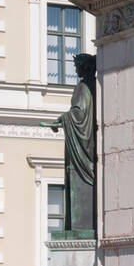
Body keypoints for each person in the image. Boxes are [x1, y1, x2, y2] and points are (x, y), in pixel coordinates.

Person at [42, 53, 97, 233]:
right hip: (87, 140)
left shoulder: (83, 87)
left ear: (84, 67)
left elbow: (79, 114)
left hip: (82, 142)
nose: (75, 69)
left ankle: (80, 226)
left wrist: (61, 120)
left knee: (76, 177)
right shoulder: (94, 85)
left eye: (77, 66)